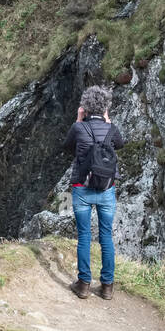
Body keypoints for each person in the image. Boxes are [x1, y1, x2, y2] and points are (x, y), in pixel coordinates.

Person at [61, 85, 124, 299]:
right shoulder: (112, 128)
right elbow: (120, 144)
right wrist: (107, 122)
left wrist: (78, 120)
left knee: (85, 236)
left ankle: (84, 284)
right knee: (106, 236)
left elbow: (68, 148)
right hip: (107, 189)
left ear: (85, 107)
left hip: (82, 188)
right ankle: (107, 287)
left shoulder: (78, 129)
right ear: (106, 107)